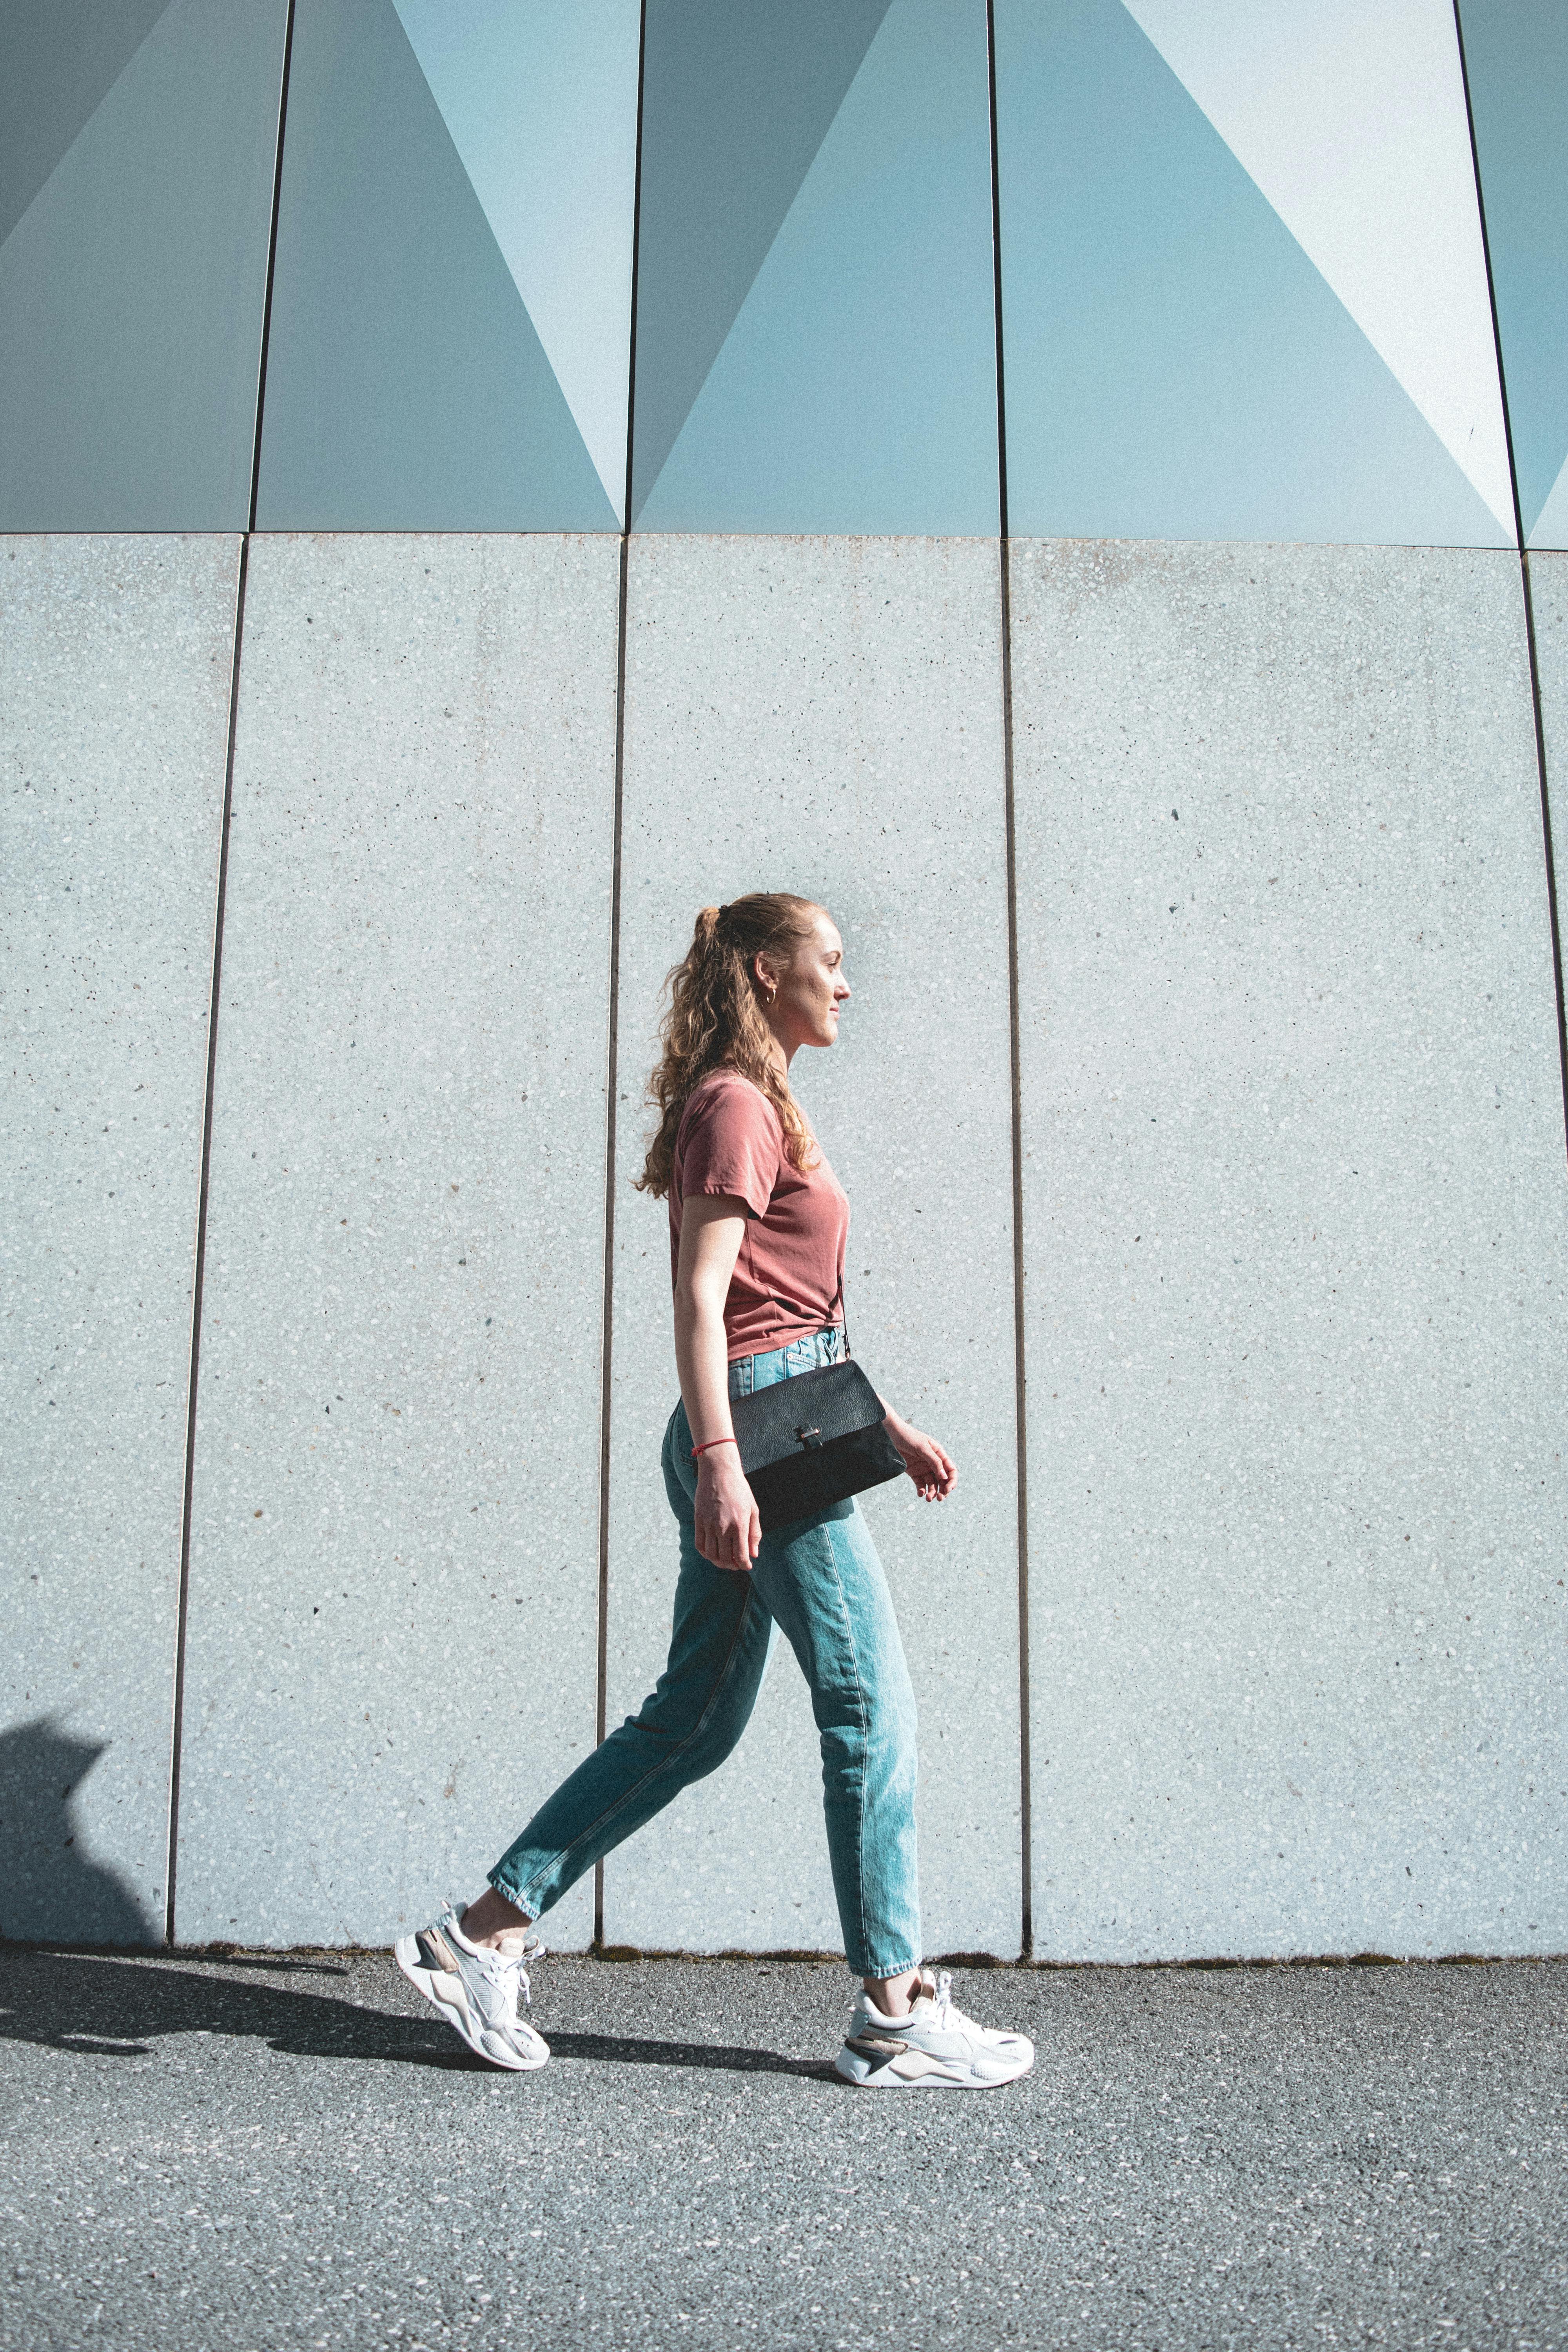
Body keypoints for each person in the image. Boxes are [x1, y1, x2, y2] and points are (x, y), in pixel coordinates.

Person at [396, 893, 1033, 2089]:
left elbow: (786, 1309)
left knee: (692, 1721)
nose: (846, 986)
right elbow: (701, 1300)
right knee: (872, 1710)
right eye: (829, 965)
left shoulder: (765, 1099)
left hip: (782, 1429)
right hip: (757, 1452)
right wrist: (721, 1466)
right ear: (763, 971)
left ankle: (480, 1931)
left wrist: (883, 1424)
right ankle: (893, 2009)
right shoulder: (737, 1104)